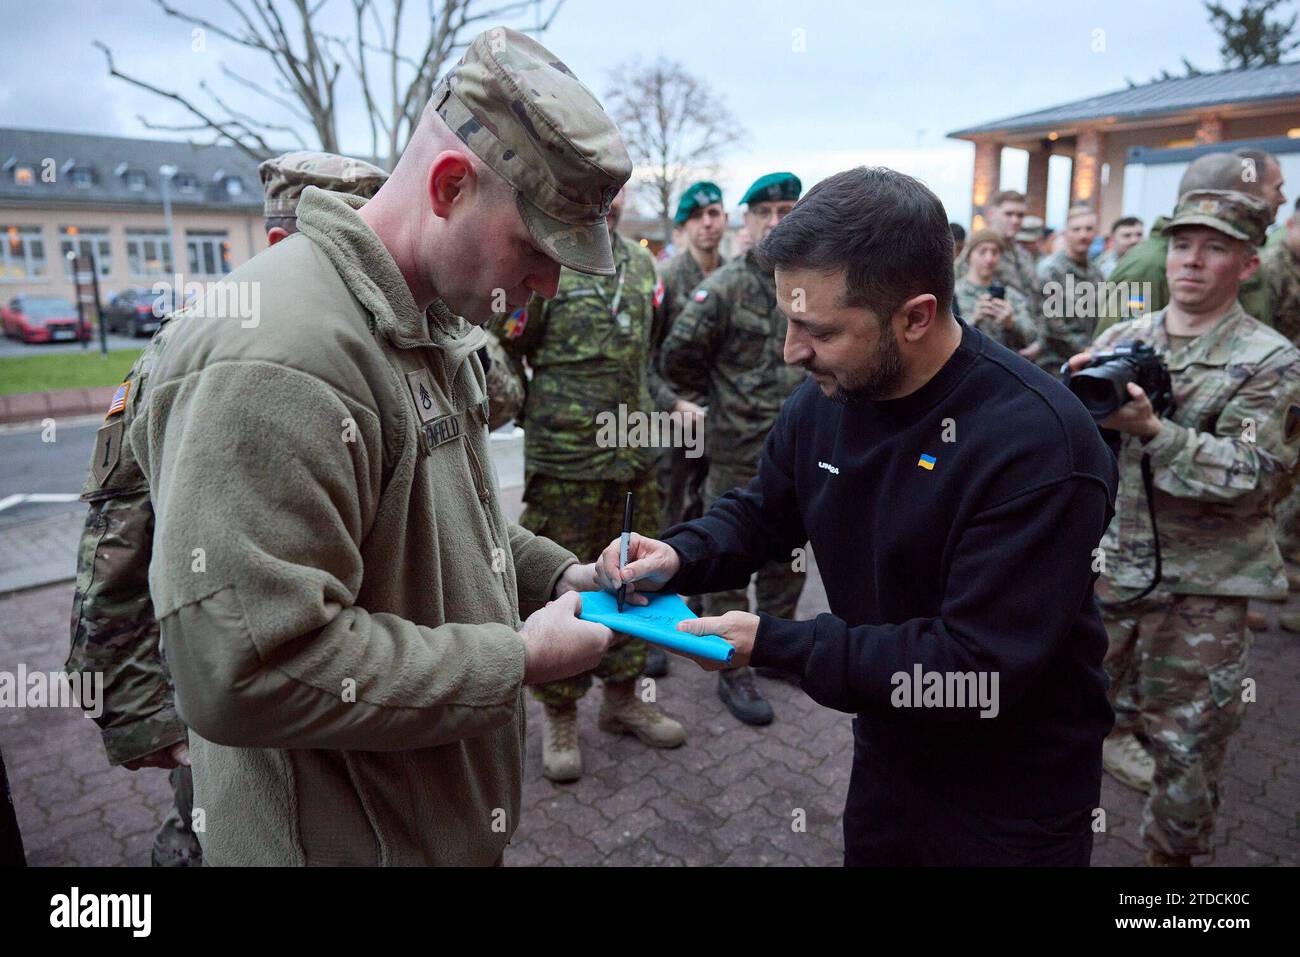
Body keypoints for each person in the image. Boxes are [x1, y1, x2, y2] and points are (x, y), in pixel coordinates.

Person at [124, 26, 627, 866]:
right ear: (450, 184)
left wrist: (561, 574)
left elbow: (441, 524)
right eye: (539, 249)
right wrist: (517, 660)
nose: (548, 286)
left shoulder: (425, 319)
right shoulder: (281, 356)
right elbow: (247, 669)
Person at [601, 166, 1117, 865]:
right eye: (787, 319)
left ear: (915, 316)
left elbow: (972, 667)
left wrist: (774, 642)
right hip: (889, 756)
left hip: (1012, 792)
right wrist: (679, 554)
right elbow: (762, 511)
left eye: (817, 329)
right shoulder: (825, 398)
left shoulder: (1040, 446)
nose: (791, 351)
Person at [65, 150, 388, 867]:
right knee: (207, 828)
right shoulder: (194, 349)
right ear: (280, 244)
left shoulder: (365, 344)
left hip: (341, 690)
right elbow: (117, 537)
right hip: (219, 682)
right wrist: (135, 711)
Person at [1076, 190, 1299, 867]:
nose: (1191, 261)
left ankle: (1168, 879)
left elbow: (1258, 475)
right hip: (1113, 571)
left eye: (1215, 247)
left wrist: (1155, 432)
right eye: (1180, 244)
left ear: (1248, 263)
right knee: (1071, 721)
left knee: (1187, 750)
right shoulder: (1121, 340)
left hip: (1202, 591)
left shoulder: (1274, 361)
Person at [488, 188, 685, 782]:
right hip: (566, 456)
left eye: (618, 186)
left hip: (634, 457)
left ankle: (624, 700)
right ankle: (561, 712)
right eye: (597, 185)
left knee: (634, 579)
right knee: (565, 584)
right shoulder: (547, 258)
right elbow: (506, 341)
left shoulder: (645, 262)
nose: (610, 198)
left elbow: (648, 351)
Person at [659, 172, 808, 727]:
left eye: (786, 210)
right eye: (764, 212)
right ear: (747, 222)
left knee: (790, 558)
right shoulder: (723, 287)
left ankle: (774, 649)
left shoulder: (810, 283)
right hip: (738, 452)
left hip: (797, 452)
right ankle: (730, 664)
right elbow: (677, 357)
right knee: (730, 560)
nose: (776, 221)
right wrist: (715, 407)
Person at [647, 181, 728, 680]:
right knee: (668, 512)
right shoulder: (667, 276)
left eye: (715, 212)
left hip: (721, 421)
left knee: (707, 510)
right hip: (674, 419)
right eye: (697, 216)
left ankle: (693, 612)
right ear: (681, 227)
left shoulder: (735, 275)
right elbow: (645, 357)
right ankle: (653, 619)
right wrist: (672, 403)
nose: (708, 222)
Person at [1094, 148, 1286, 338]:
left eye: (1215, 248)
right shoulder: (1146, 268)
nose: (1282, 199)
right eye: (1276, 188)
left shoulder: (1248, 257)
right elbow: (1117, 353)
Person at [1035, 205, 1104, 372]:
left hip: (1087, 361)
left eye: (1089, 229)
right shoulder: (1052, 270)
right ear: (1066, 233)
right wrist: (1085, 350)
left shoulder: (1095, 271)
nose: (1083, 235)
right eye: (1076, 229)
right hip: (1054, 363)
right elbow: (1052, 325)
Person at [952, 228, 1037, 352]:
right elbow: (944, 338)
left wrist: (1011, 323)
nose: (989, 258)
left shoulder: (1010, 294)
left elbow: (1031, 336)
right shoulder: (953, 294)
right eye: (982, 252)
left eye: (995, 252)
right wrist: (973, 320)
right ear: (970, 255)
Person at [985, 189, 1042, 315]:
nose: (1015, 220)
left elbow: (1036, 298)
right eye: (1009, 214)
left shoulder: (1023, 255)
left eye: (1020, 215)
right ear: (991, 214)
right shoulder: (979, 252)